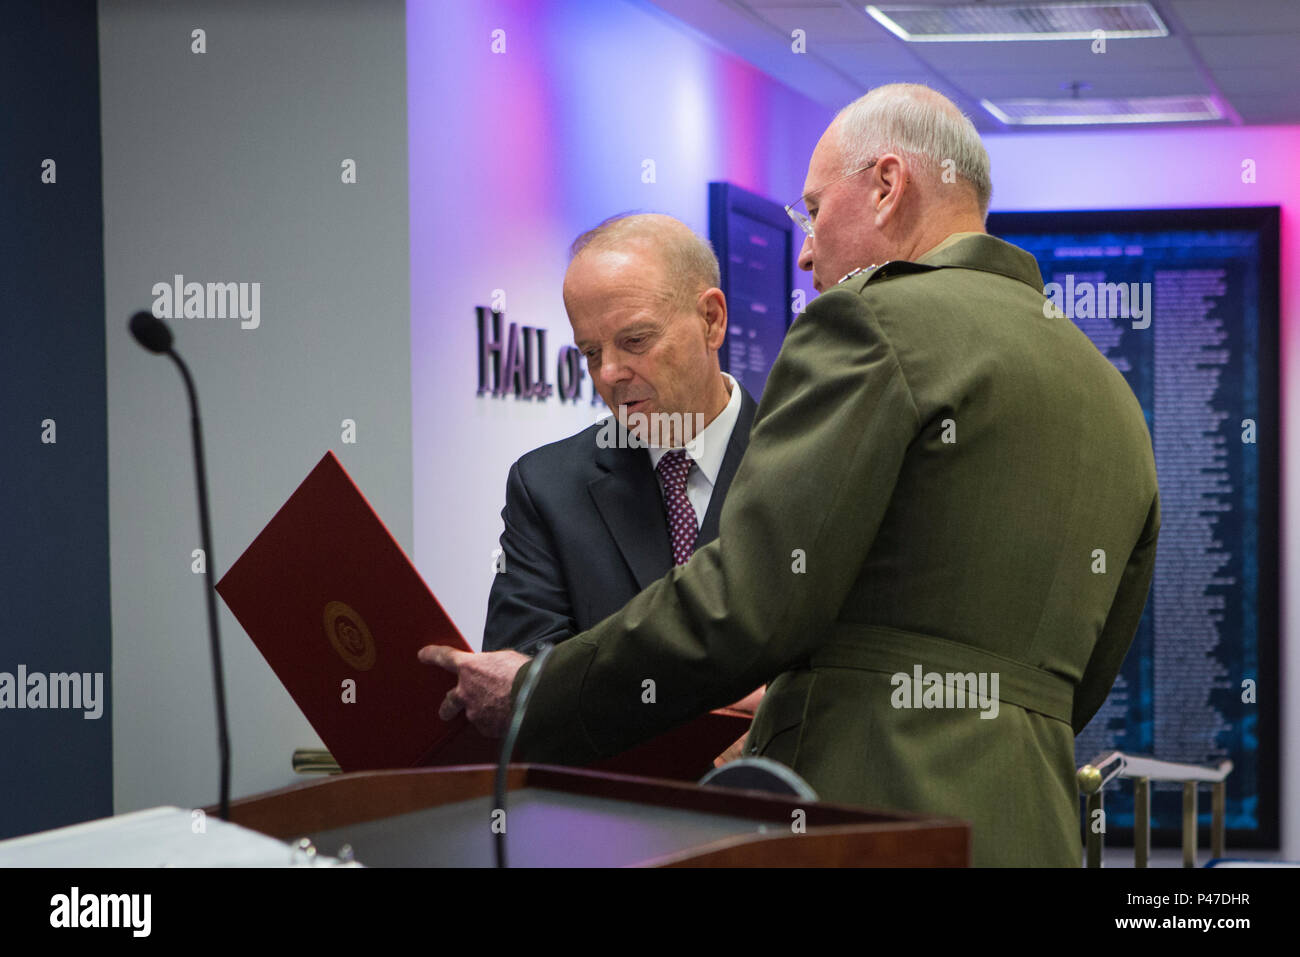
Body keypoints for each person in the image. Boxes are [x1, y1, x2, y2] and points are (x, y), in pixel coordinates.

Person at [421, 84, 1160, 867]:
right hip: (1035, 829)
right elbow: (1092, 667)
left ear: (885, 186)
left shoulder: (872, 322)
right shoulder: (1110, 395)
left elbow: (745, 602)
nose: (805, 252)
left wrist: (537, 691)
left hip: (861, 822)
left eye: (812, 211)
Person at [481, 213, 764, 713]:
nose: (610, 373)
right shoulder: (546, 487)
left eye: (635, 341)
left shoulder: (806, 461)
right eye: (591, 352)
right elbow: (521, 693)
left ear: (712, 320)